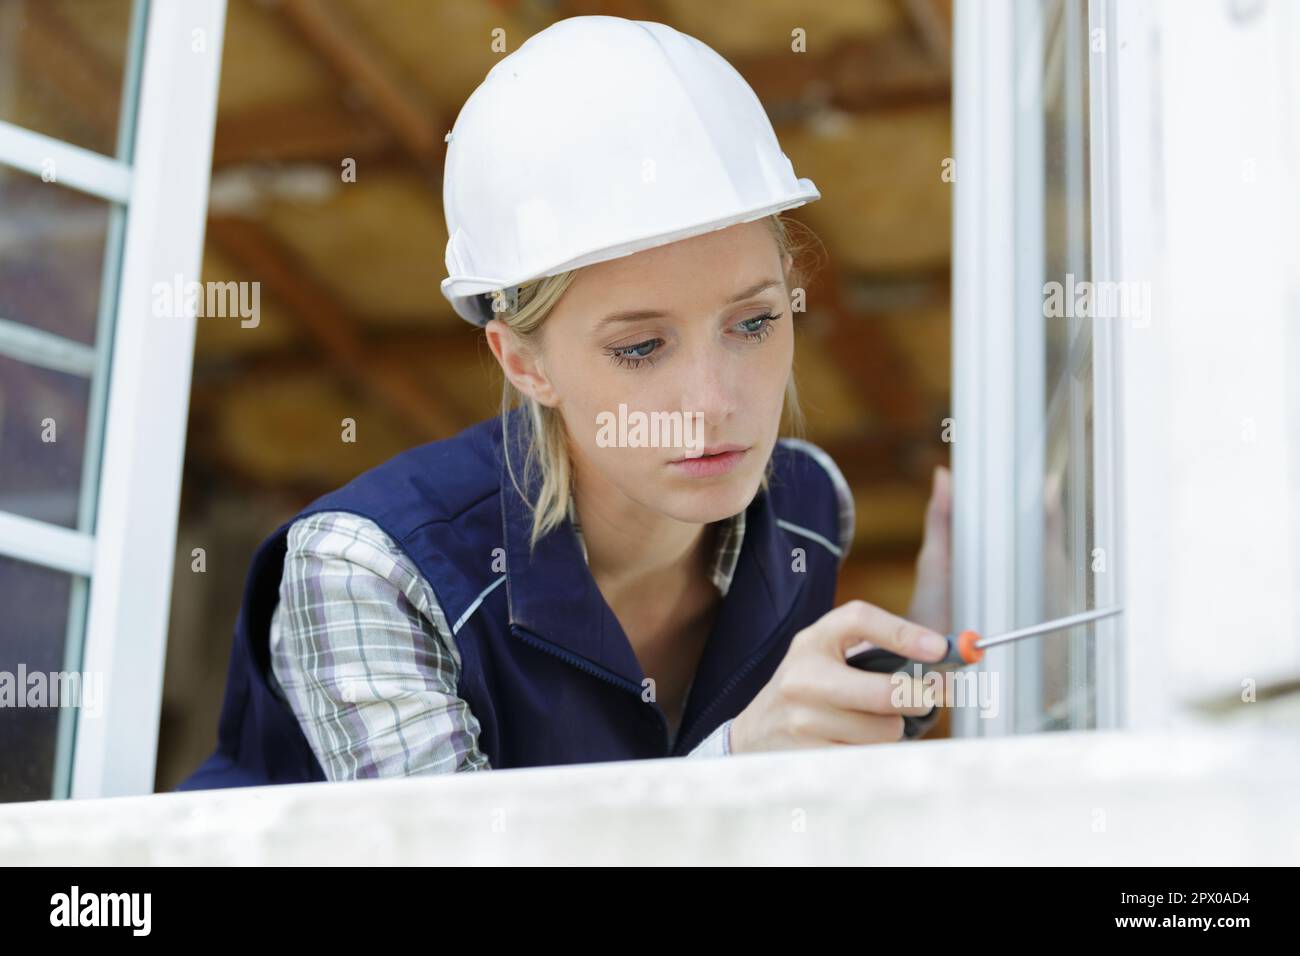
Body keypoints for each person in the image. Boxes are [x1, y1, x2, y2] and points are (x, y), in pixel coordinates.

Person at [176, 15, 952, 790]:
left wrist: (931, 646)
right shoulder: (370, 571)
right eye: (640, 348)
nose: (715, 402)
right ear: (523, 361)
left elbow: (805, 766)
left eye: (754, 322)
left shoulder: (809, 511)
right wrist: (736, 764)